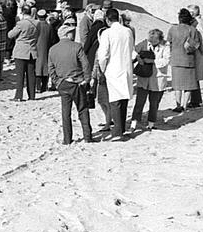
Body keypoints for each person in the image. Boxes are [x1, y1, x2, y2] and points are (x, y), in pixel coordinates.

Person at [48, 20, 92, 145]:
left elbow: (51, 69)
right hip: (77, 82)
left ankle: (67, 139)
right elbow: (86, 64)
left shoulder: (53, 49)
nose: (73, 34)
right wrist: (86, 80)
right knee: (82, 109)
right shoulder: (77, 46)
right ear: (67, 34)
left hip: (63, 83)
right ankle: (87, 136)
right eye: (72, 33)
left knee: (65, 112)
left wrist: (57, 82)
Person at [96, 8, 135, 140]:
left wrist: (103, 69)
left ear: (107, 19)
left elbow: (102, 55)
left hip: (113, 68)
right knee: (124, 98)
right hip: (126, 67)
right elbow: (131, 49)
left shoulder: (107, 33)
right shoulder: (128, 31)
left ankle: (117, 132)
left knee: (115, 101)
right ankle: (122, 127)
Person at [130, 29, 171, 131]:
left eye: (154, 41)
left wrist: (152, 61)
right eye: (150, 41)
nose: (151, 43)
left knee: (154, 102)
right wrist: (138, 57)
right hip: (144, 77)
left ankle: (151, 124)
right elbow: (133, 51)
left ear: (160, 40)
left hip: (158, 78)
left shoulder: (165, 46)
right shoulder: (144, 43)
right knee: (139, 101)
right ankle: (134, 123)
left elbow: (166, 61)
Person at [167, 8, 201, 112]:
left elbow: (169, 42)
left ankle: (178, 106)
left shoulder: (173, 29)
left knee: (177, 86)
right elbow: (197, 44)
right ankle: (185, 106)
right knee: (188, 85)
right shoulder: (193, 30)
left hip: (176, 60)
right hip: (188, 60)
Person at [7, 6, 38, 101]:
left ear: (23, 13)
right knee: (31, 75)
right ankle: (32, 95)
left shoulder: (21, 23)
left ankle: (18, 96)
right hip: (32, 50)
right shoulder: (37, 23)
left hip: (21, 51)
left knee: (20, 75)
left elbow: (10, 35)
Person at [188, 4, 203, 107]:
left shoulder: (199, 24)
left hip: (198, 52)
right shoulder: (197, 22)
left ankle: (195, 101)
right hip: (199, 51)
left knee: (194, 76)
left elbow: (201, 40)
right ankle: (195, 100)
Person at [34, 8, 56, 93]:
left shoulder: (36, 25)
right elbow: (53, 39)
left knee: (38, 67)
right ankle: (44, 86)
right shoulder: (49, 26)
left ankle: (38, 87)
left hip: (37, 48)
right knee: (46, 68)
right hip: (47, 48)